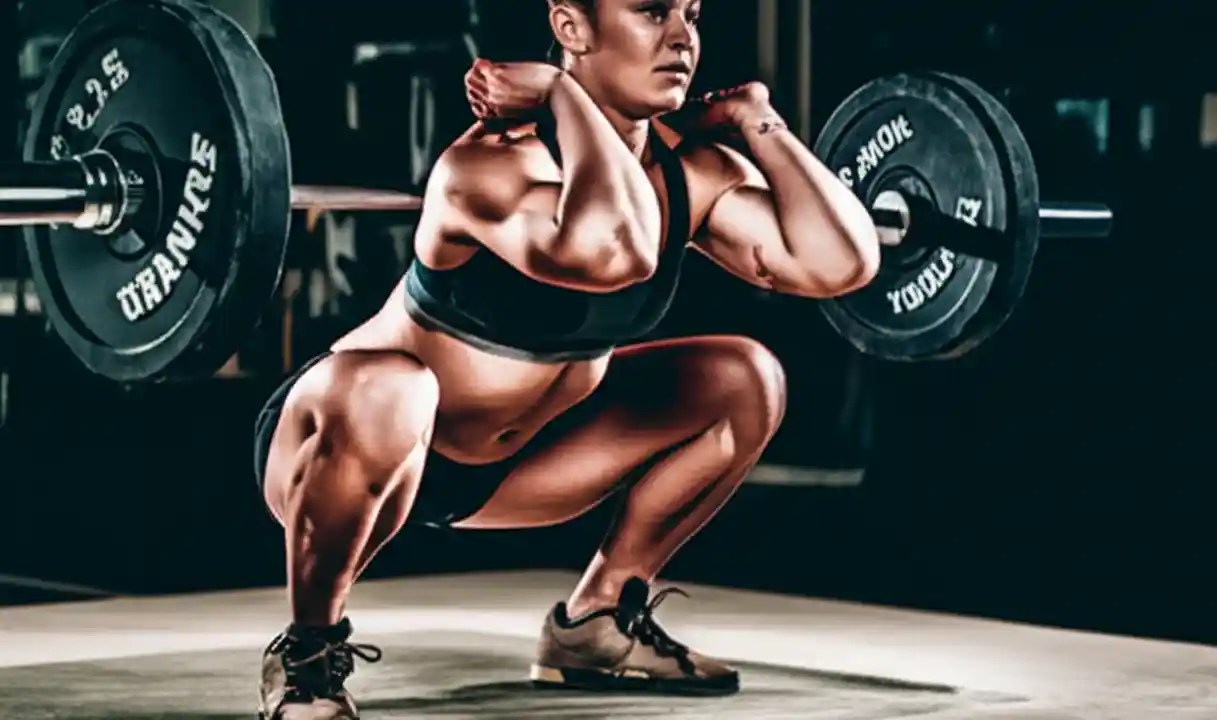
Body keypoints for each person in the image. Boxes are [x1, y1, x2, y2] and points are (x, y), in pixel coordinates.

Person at [251, 0, 881, 717]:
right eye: (650, 11)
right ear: (571, 29)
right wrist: (561, 94)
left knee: (746, 379)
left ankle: (597, 624)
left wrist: (758, 124)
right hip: (343, 441)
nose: (682, 36)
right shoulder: (488, 164)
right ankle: (306, 655)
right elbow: (614, 247)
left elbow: (841, 264)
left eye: (691, 14)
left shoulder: (686, 175)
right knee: (392, 389)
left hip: (507, 473)